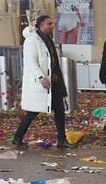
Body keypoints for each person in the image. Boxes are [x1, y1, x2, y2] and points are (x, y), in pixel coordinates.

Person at [13, 14, 72, 150]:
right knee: (33, 112)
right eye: (49, 24)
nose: (52, 26)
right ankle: (17, 137)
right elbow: (31, 61)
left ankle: (62, 140)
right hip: (41, 83)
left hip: (54, 82)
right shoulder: (32, 40)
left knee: (60, 110)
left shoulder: (48, 39)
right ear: (41, 25)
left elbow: (52, 60)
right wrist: (41, 78)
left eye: (52, 23)